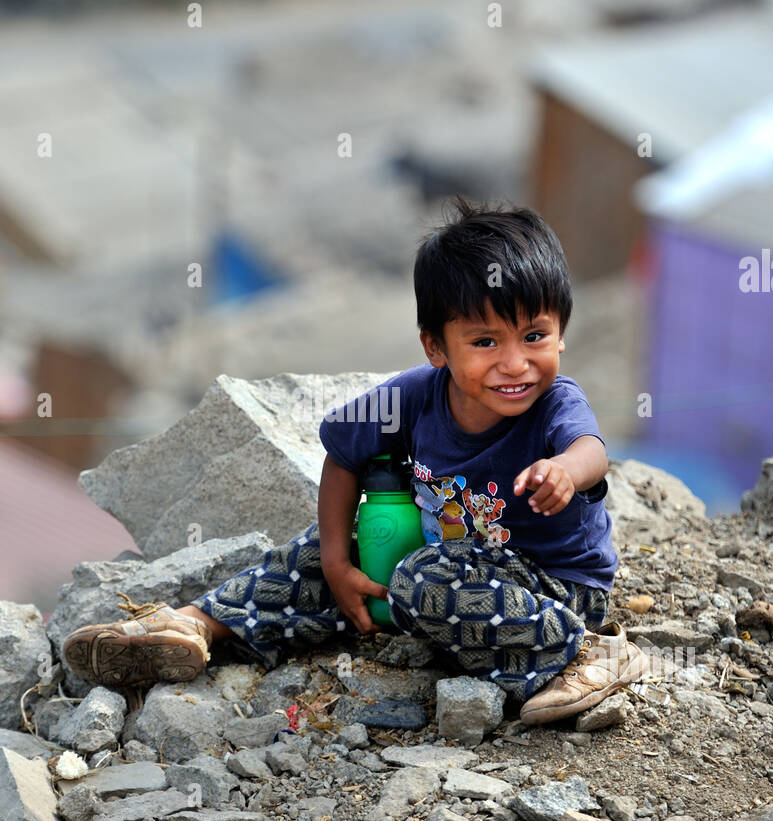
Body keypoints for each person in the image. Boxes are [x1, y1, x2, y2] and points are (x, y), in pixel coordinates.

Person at [61, 196, 650, 725]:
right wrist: (342, 564)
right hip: (440, 561)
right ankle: (194, 626)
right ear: (435, 346)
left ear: (561, 335)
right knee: (320, 550)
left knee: (422, 580)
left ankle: (585, 653)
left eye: (535, 336)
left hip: (552, 587)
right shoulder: (414, 397)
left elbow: (591, 452)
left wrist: (564, 473)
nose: (516, 363)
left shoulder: (555, 406)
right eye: (486, 341)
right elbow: (342, 454)